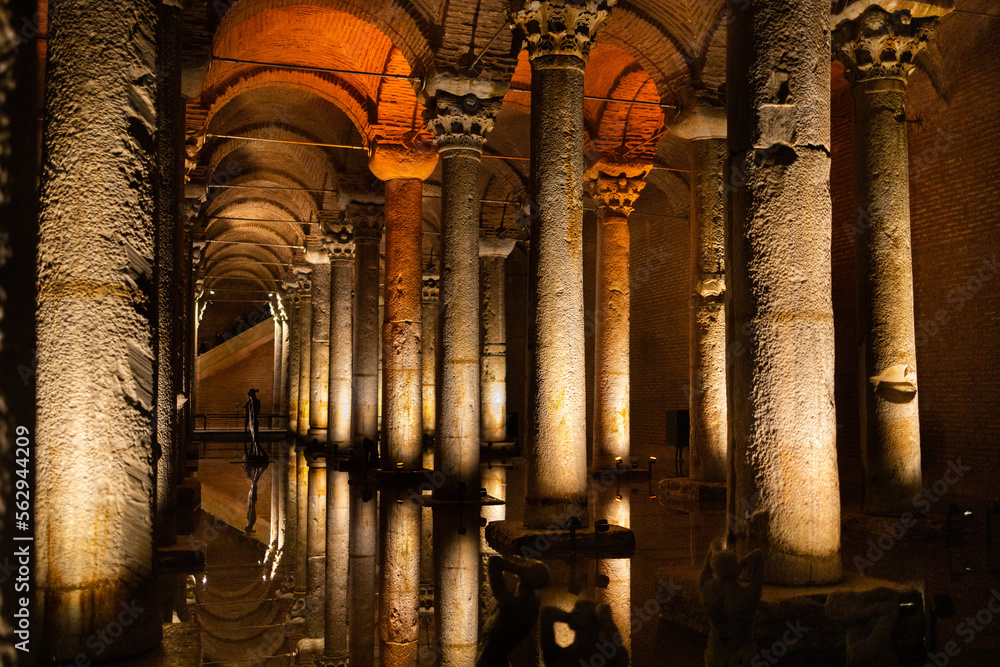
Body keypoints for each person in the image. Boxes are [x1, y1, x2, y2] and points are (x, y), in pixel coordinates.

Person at [699, 538, 764, 666]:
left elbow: (710, 555)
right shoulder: (748, 594)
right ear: (738, 569)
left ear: (714, 566)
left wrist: (715, 551)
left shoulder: (705, 588)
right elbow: (759, 555)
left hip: (716, 650)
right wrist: (742, 562)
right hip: (741, 653)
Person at [244, 388, 267, 460]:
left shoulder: (253, 403)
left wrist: (249, 424)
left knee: (255, 439)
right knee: (253, 439)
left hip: (253, 422)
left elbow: (252, 414)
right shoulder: (252, 403)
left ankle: (260, 454)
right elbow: (249, 415)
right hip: (252, 422)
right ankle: (256, 453)